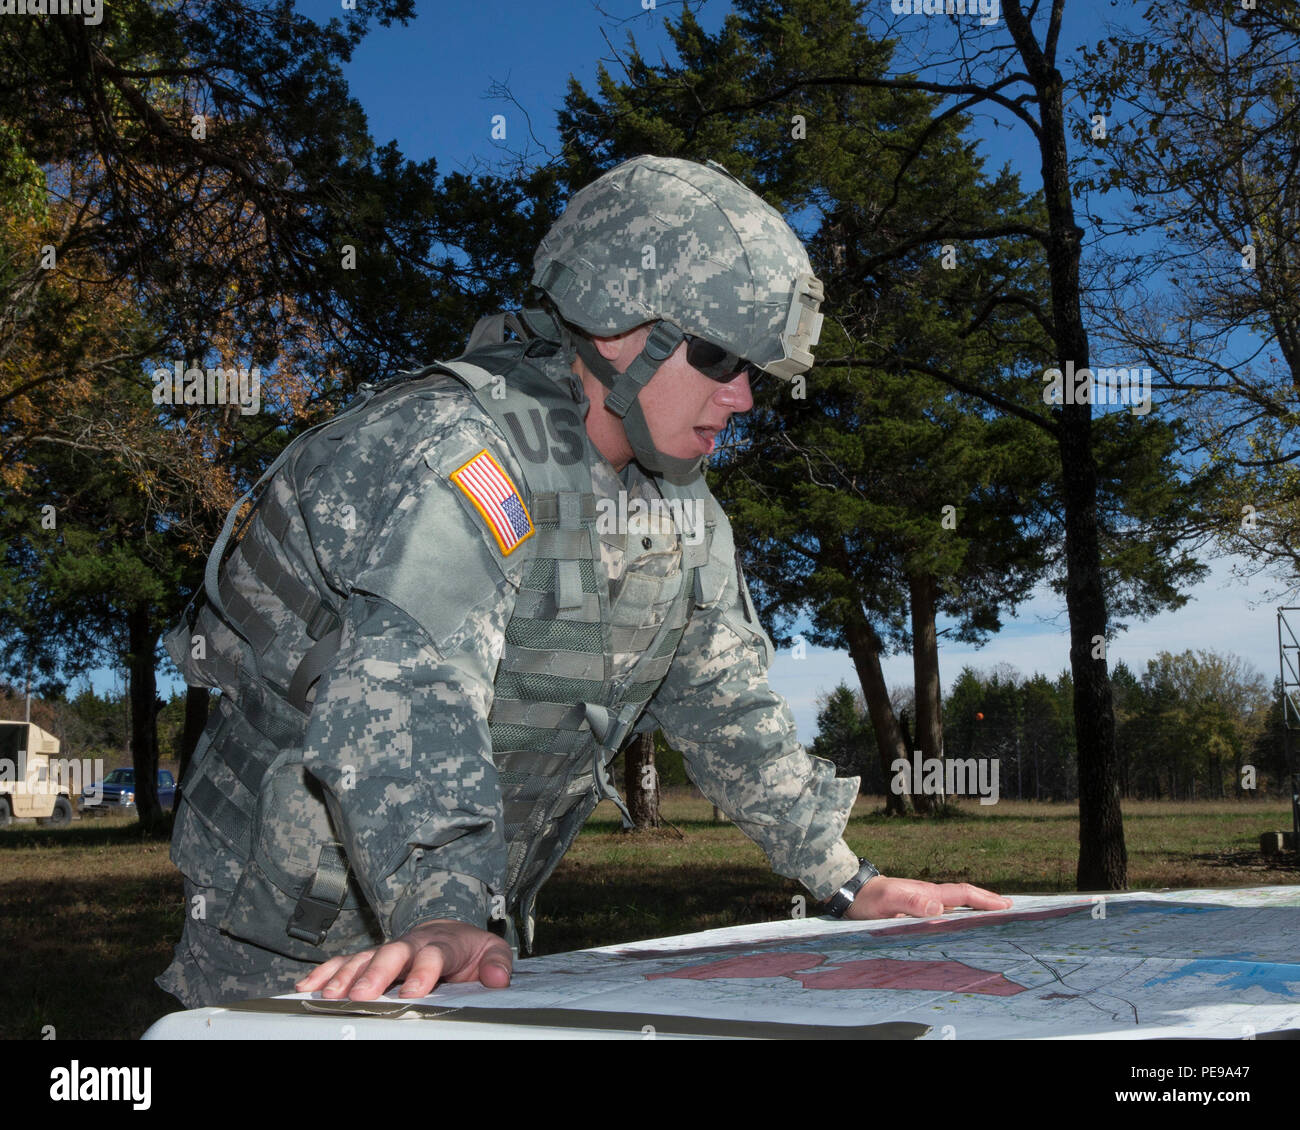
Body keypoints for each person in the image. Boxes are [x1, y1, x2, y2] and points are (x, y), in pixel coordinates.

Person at [157, 155, 1010, 1010]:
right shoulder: (458, 453)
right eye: (719, 357)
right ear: (615, 331)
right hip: (289, 948)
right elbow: (408, 685)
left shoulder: (680, 507)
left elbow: (724, 707)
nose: (745, 398)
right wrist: (445, 905)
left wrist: (844, 878)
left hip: (462, 945)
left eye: (762, 374)